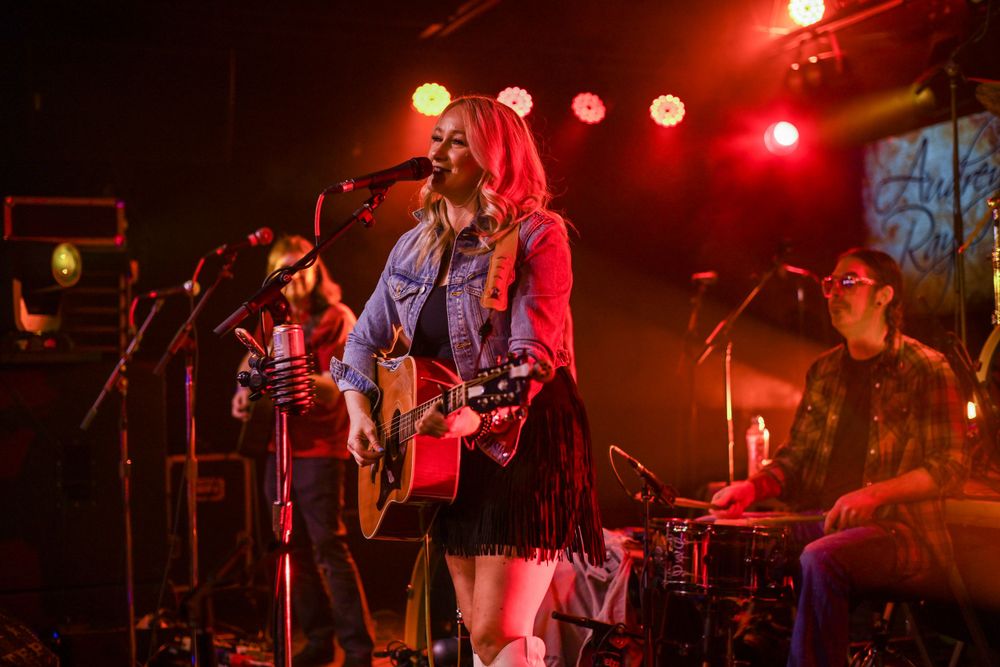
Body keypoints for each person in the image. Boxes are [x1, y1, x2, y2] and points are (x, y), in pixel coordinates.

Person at [331, 95, 605, 667]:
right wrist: (360, 413)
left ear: (495, 158)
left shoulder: (536, 235)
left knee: (495, 631)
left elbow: (532, 360)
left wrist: (476, 415)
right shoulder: (412, 246)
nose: (438, 150)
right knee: (476, 637)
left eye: (458, 140)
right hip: (448, 452)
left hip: (525, 437)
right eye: (436, 137)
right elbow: (360, 342)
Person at [711, 247, 968, 667]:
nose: (833, 293)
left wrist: (872, 495)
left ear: (884, 296)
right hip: (816, 518)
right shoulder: (824, 371)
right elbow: (795, 458)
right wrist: (751, 487)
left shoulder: (927, 368)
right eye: (830, 284)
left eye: (849, 282)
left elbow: (951, 467)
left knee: (821, 557)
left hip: (898, 532)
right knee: (709, 535)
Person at [232, 235, 375, 667]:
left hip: (321, 449)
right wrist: (243, 393)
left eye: (298, 270)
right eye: (283, 271)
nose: (291, 281)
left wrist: (295, 379)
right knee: (287, 547)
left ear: (314, 272)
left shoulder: (337, 317)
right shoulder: (276, 319)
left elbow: (343, 385)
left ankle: (358, 649)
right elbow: (250, 363)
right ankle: (317, 638)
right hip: (281, 449)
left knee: (328, 547)